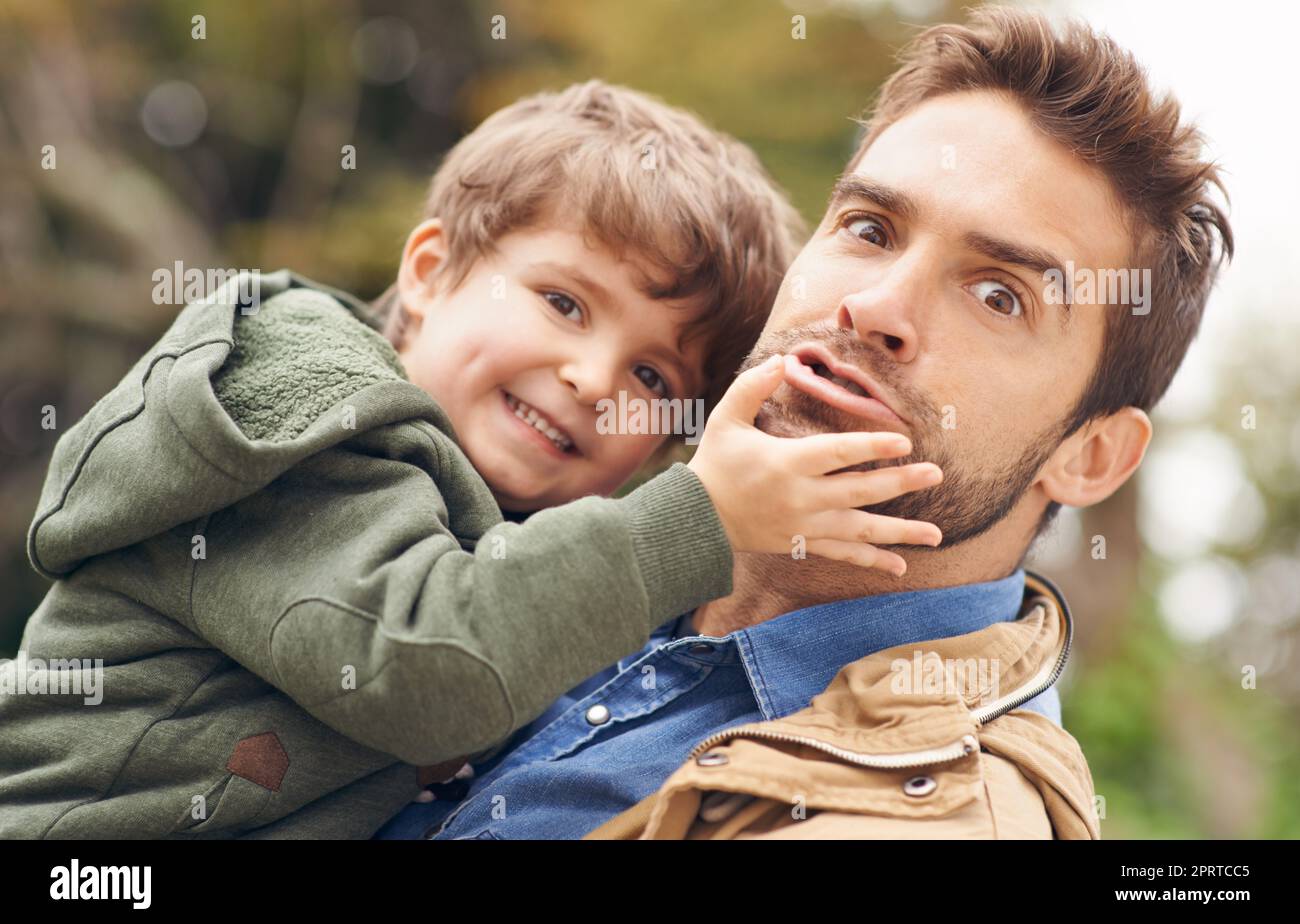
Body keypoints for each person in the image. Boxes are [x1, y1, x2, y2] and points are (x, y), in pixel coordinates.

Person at [375, 6, 1233, 840]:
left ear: (1090, 457)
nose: (875, 306)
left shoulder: (926, 817)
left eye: (999, 294)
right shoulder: (536, 507)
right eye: (870, 227)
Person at [0, 82, 945, 839]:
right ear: (428, 271)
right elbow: (420, 670)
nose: (588, 376)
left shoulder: (513, 539)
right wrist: (704, 514)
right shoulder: (314, 418)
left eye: (651, 373)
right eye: (564, 303)